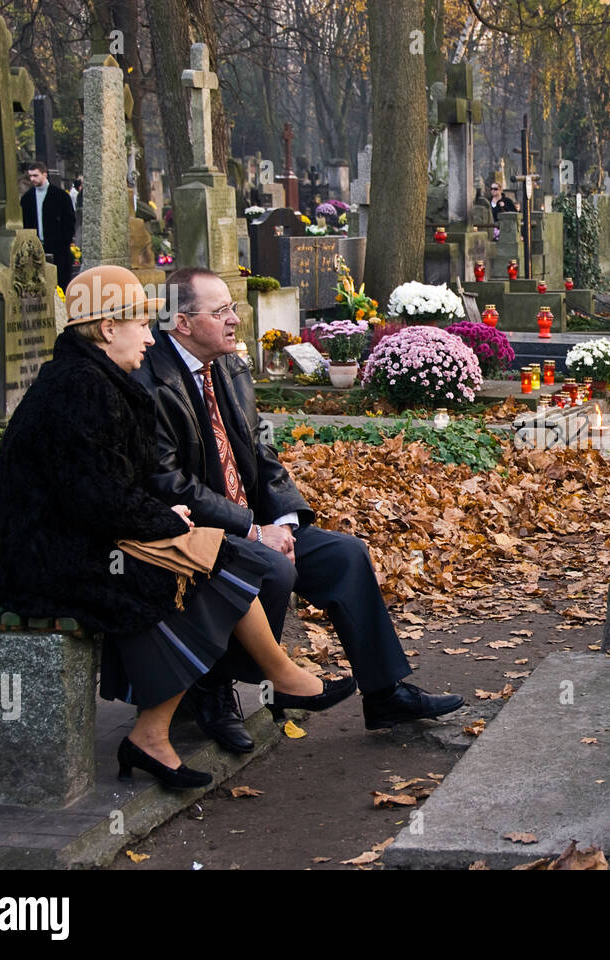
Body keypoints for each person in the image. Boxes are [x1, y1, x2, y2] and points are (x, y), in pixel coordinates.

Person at [0, 266, 357, 790]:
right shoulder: (78, 388)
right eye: (140, 323)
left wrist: (163, 518)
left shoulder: (100, 379)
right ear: (106, 328)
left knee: (223, 559)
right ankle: (270, 683)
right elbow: (97, 496)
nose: (148, 334)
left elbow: (114, 487)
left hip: (87, 537)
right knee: (199, 570)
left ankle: (164, 730)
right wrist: (165, 519)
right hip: (47, 556)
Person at [133, 268, 464, 750]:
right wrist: (251, 529)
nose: (233, 320)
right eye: (221, 311)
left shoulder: (229, 367)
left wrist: (283, 522)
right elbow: (169, 483)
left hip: (255, 523)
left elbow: (260, 453)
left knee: (345, 555)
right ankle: (212, 692)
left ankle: (384, 692)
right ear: (182, 323)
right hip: (195, 535)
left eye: (233, 308)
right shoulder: (151, 380)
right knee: (266, 569)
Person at [20, 160, 76, 290]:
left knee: (60, 283)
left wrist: (65, 240)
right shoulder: (27, 198)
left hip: (58, 248)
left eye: (36, 175)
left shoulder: (60, 196)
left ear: (45, 174)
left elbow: (69, 220)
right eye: (30, 176)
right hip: (36, 247)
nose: (32, 179)